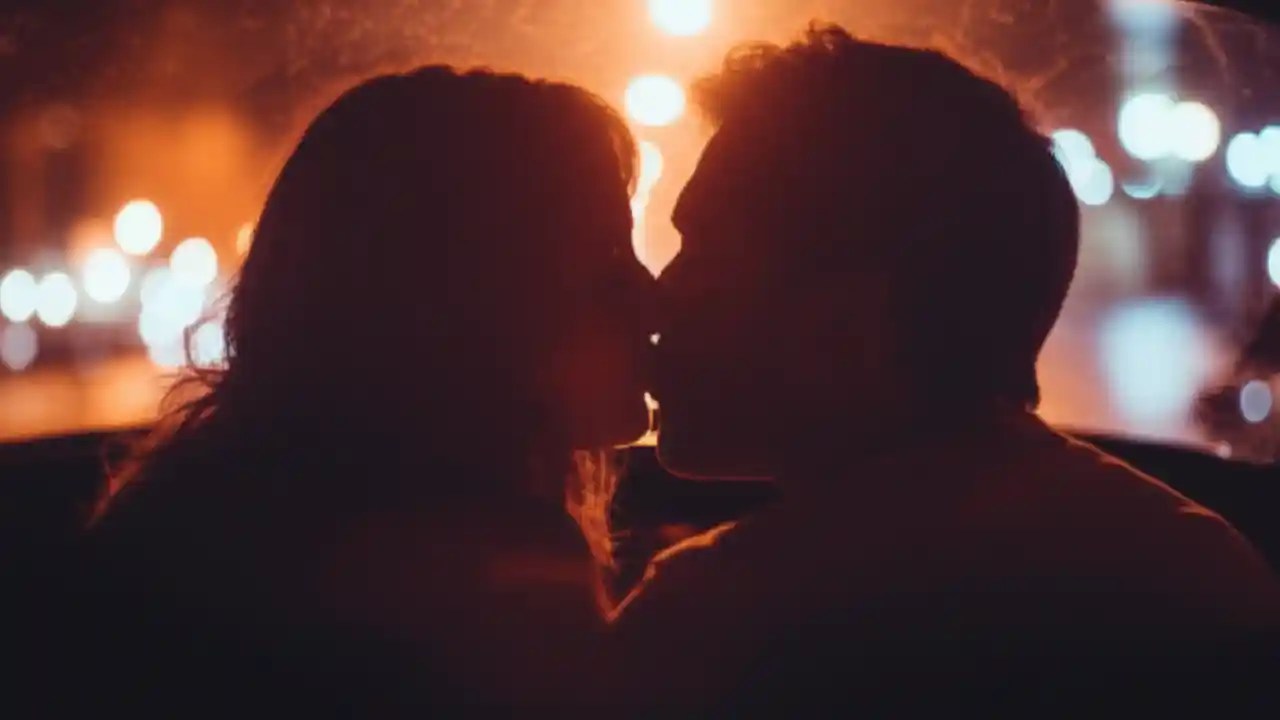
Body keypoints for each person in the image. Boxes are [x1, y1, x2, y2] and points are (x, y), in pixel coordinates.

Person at [609, 25, 1280, 711]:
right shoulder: (1204, 567)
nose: (659, 293)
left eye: (702, 252)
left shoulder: (711, 622)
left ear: (845, 328)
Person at [45, 66, 655, 715]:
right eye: (609, 264)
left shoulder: (187, 523)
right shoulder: (489, 584)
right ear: (472, 303)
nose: (652, 300)